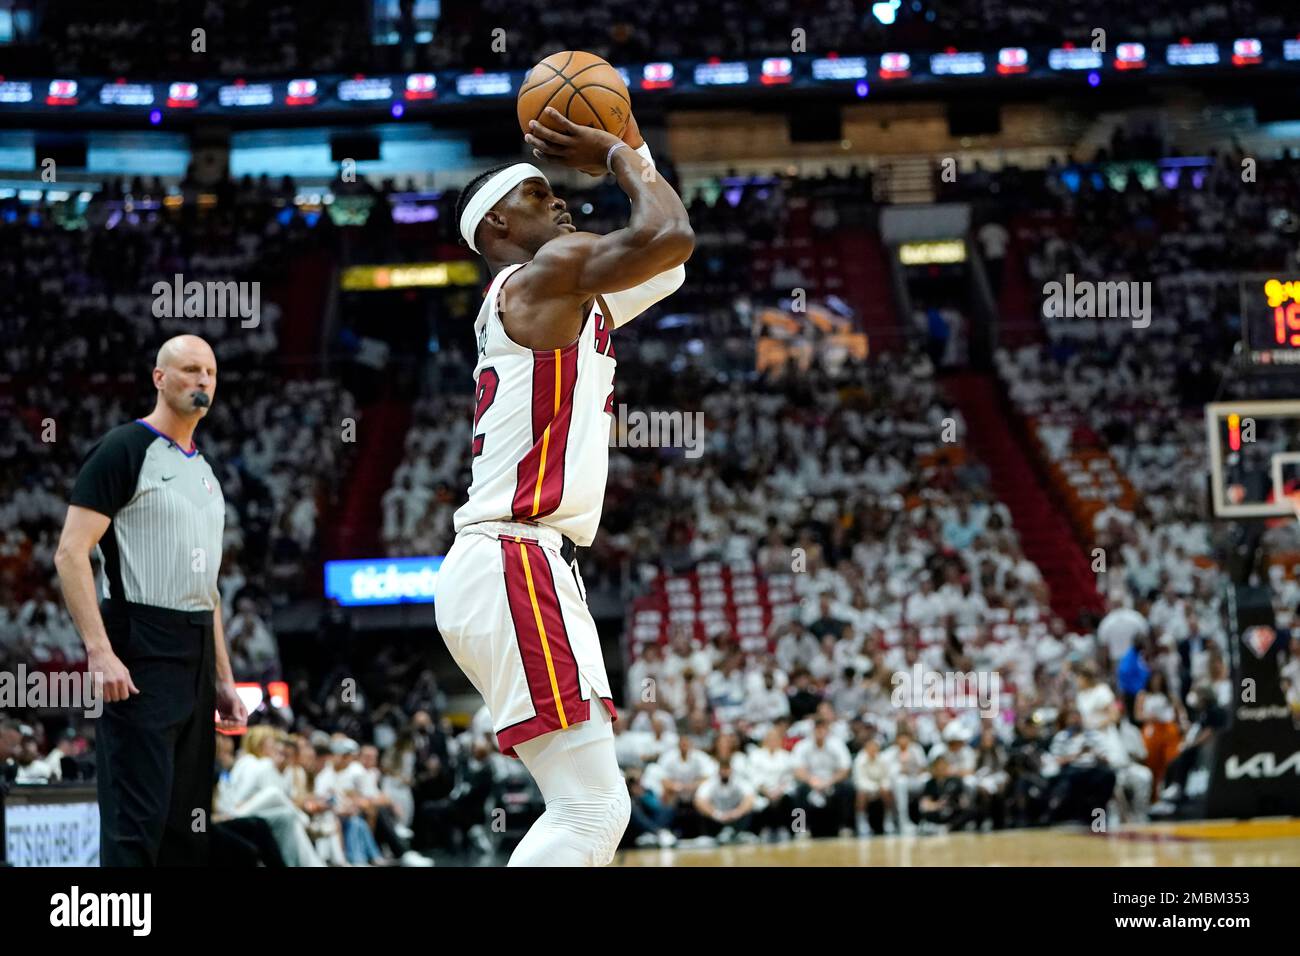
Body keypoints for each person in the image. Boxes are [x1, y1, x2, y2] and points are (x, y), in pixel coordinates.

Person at [432, 106, 693, 866]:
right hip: (515, 556)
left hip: (520, 561)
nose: (560, 200)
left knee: (587, 807)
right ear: (497, 229)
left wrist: (637, 147)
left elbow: (668, 264)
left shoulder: (566, 295)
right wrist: (618, 149)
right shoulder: (541, 276)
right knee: (590, 809)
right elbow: (670, 233)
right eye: (538, 194)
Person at [54, 335, 247, 866]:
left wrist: (224, 680)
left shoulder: (206, 473)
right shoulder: (123, 449)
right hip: (138, 644)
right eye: (188, 370)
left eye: (209, 371)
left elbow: (209, 591)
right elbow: (70, 553)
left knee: (187, 828)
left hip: (195, 654)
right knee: (135, 824)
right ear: (159, 378)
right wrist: (99, 651)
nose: (202, 380)